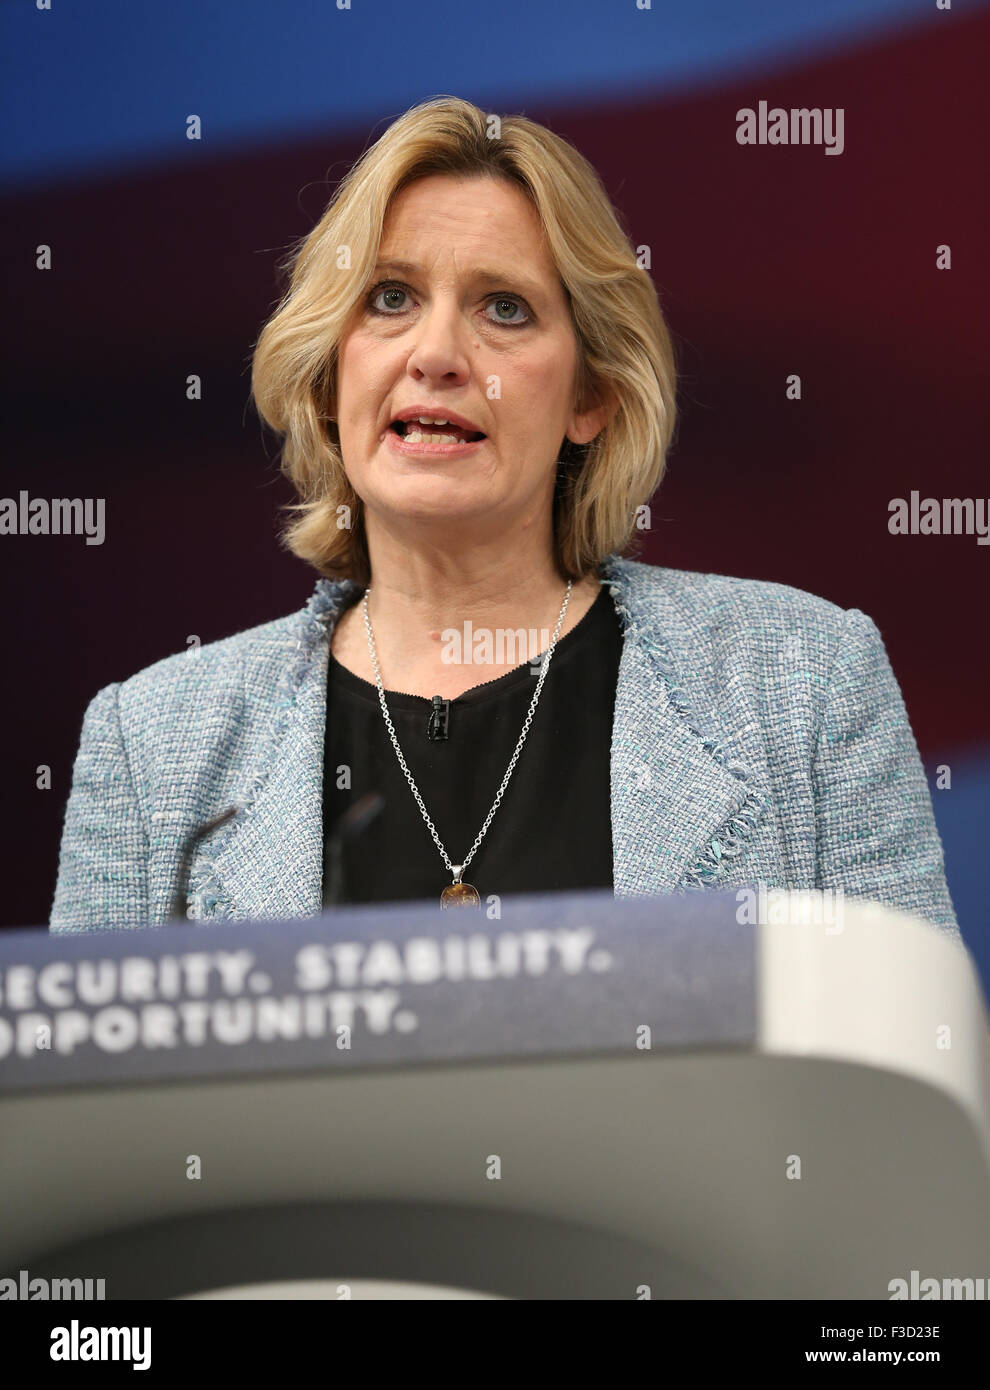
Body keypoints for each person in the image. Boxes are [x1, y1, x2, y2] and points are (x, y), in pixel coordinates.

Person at [49, 96, 959, 940]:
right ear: (330, 377)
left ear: (592, 395)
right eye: (390, 298)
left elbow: (921, 1079)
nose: (438, 354)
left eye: (506, 309)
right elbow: (87, 1114)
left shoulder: (806, 684)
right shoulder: (152, 747)